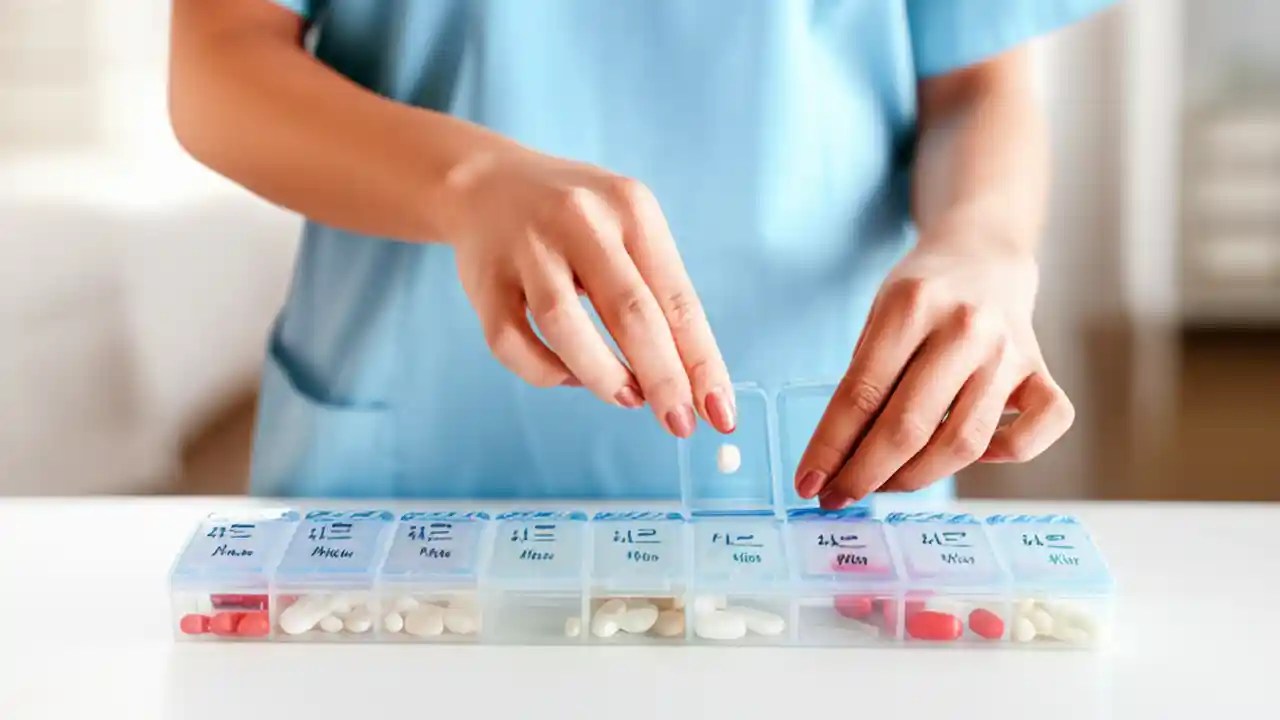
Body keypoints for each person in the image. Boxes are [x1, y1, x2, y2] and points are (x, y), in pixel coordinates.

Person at [169, 0, 1113, 506]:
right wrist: (466, 182)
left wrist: (983, 244)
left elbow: (976, 87)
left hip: (824, 448)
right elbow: (220, 56)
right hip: (411, 455)